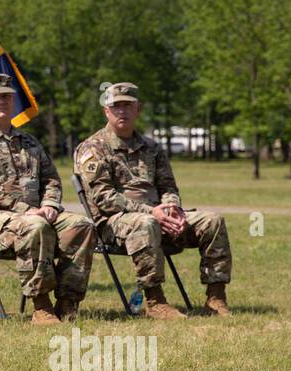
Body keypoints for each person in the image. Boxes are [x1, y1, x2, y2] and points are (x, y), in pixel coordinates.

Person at [75, 82, 232, 318]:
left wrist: (171, 208)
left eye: (128, 105)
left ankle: (216, 298)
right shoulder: (93, 148)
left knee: (212, 220)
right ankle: (155, 302)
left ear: (139, 109)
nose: (122, 111)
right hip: (114, 223)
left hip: (159, 217)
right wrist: (152, 212)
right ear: (106, 111)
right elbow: (103, 198)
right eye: (116, 106)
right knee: (145, 223)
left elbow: (168, 186)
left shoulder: (152, 148)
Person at [0, 73, 96, 324]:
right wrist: (25, 210)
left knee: (81, 225)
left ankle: (67, 303)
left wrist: (50, 204)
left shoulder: (29, 142)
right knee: (34, 225)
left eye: (6, 97)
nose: (1, 101)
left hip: (36, 215)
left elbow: (51, 179)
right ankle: (41, 307)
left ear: (14, 101)